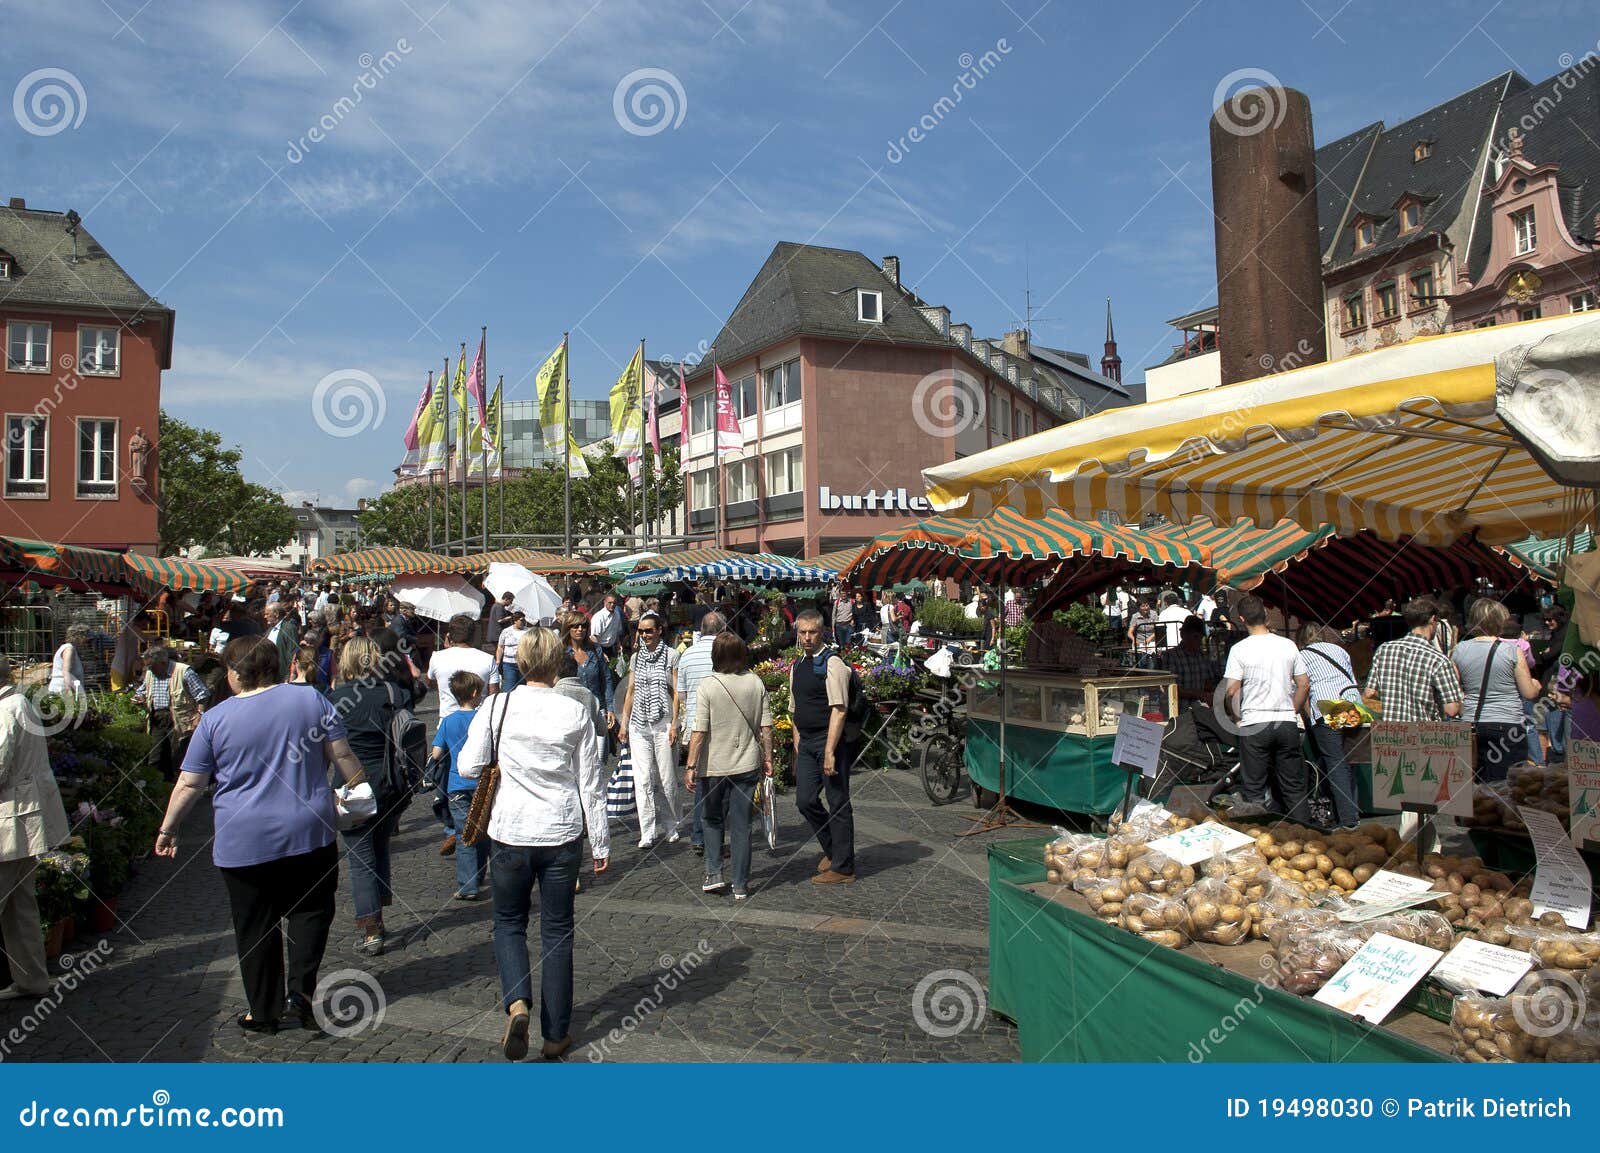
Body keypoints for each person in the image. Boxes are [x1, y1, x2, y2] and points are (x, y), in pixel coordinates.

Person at [154, 635, 367, 1032]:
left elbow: (189, 783)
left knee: (254, 924)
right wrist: (360, 790)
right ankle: (300, 996)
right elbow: (341, 755)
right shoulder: (312, 700)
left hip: (243, 839)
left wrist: (169, 828)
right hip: (308, 831)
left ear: (235, 674)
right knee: (310, 912)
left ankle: (264, 1011)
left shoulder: (216, 719)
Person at [458, 628, 609, 1061]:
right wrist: (600, 842)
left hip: (509, 831)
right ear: (559, 661)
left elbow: (468, 766)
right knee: (558, 932)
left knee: (508, 923)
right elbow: (590, 784)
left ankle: (518, 1002)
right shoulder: (574, 712)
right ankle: (556, 1033)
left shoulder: (497, 705)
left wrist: (504, 761)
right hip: (561, 833)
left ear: (520, 662)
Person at [328, 636, 410, 956]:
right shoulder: (392, 693)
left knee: (361, 859)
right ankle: (379, 909)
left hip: (351, 786)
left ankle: (371, 928)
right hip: (389, 782)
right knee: (380, 847)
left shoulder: (335, 698)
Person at [0, 662, 71, 1001]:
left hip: (11, 822)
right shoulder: (19, 702)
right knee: (20, 905)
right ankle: (31, 980)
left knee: (17, 903)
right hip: (25, 819)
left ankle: (31, 979)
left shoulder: (6, 708)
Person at [685, 631, 773, 900]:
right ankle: (740, 884)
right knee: (742, 825)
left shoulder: (708, 686)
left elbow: (699, 731)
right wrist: (768, 757)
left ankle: (714, 873)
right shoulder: (756, 683)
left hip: (714, 766)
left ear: (716, 655)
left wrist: (690, 766)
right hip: (746, 764)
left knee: (711, 819)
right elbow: (766, 727)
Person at [1221, 594, 1311, 822]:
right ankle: (1307, 836)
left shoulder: (1239, 649)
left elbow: (1231, 691)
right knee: (1294, 788)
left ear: (1242, 619)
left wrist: (1235, 716)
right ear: (1266, 615)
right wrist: (1291, 709)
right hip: (1286, 723)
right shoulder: (1288, 645)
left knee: (1254, 790)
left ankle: (1258, 838)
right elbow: (1304, 683)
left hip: (1254, 724)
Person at [790, 610, 857, 884]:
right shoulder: (798, 665)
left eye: (812, 632)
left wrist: (829, 750)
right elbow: (795, 709)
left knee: (838, 801)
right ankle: (833, 849)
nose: (807, 638)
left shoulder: (833, 664)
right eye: (802, 632)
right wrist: (797, 746)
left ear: (822, 633)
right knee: (804, 800)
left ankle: (844, 868)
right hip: (806, 743)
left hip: (829, 741)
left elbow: (839, 710)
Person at [1452, 599, 1541, 783]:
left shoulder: (1459, 650)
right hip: (1507, 725)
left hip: (1470, 725)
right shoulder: (1511, 650)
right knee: (1504, 788)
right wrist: (1536, 685)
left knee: (1470, 788)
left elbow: (1453, 690)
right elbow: (1529, 693)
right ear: (1500, 620)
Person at [618, 611, 682, 850]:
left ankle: (672, 823)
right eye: (641, 631)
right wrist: (624, 723)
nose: (644, 634)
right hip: (639, 724)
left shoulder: (672, 656)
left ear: (659, 631)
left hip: (663, 722)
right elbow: (631, 691)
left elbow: (676, 692)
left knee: (666, 779)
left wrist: (675, 722)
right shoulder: (636, 658)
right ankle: (647, 830)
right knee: (642, 778)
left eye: (649, 630)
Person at [1299, 624, 1363, 830]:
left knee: (1335, 763)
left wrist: (1309, 717)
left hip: (1325, 707)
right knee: (1347, 761)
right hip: (1348, 704)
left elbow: (1303, 688)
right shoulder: (1339, 650)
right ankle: (1349, 810)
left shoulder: (1302, 656)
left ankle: (1348, 819)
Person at [431, 671, 488, 900]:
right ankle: (481, 873)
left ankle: (468, 885)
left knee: (464, 833)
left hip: (457, 784)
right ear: (475, 693)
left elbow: (436, 753)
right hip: (481, 783)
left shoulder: (449, 721)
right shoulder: (483, 719)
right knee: (482, 829)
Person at [1364, 597, 1464, 723]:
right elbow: (1452, 709)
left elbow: (1369, 692)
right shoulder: (1438, 660)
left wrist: (1393, 696)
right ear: (1433, 619)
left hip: (1390, 734)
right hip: (1423, 735)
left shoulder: (1384, 649)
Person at [676, 611, 725, 856]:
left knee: (702, 784)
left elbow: (681, 695)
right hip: (719, 726)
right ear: (722, 629)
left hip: (695, 727)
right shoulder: (723, 653)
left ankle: (698, 835)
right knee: (722, 785)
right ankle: (715, 836)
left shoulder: (686, 655)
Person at [133, 646, 210, 779]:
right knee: (156, 757)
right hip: (157, 718)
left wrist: (200, 714)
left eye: (151, 666)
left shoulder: (184, 671)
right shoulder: (151, 673)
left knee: (178, 757)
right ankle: (161, 788)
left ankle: (181, 787)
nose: (148, 669)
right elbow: (142, 691)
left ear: (162, 663)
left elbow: (202, 694)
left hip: (179, 720)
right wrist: (139, 698)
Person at [428, 614, 497, 717]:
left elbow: (430, 683)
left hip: (447, 718)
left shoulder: (437, 657)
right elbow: (493, 694)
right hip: (479, 720)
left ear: (449, 635)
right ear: (473, 635)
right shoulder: (488, 659)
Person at [562, 611, 616, 731]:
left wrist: (610, 708)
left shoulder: (596, 650)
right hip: (571, 713)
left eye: (584, 626)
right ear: (567, 628)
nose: (580, 629)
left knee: (600, 749)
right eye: (575, 626)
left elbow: (606, 679)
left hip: (597, 709)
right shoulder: (561, 653)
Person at [1158, 616, 1219, 703]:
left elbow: (1208, 682)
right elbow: (1171, 688)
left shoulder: (1202, 656)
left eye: (1200, 638)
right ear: (1183, 635)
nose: (1198, 641)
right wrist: (1198, 694)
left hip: (1201, 708)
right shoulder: (1170, 656)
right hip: (1179, 710)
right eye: (1195, 637)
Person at [46, 624, 90, 708]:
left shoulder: (69, 648)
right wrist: (69, 693)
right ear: (78, 636)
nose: (87, 639)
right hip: (62, 690)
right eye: (85, 636)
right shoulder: (69, 649)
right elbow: (66, 672)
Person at [494, 609, 529, 692]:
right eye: (521, 620)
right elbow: (500, 647)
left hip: (523, 663)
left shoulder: (528, 631)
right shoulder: (506, 631)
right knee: (508, 687)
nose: (523, 621)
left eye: (524, 619)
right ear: (515, 621)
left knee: (522, 687)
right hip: (509, 663)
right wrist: (498, 660)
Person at [264, 602, 298, 681]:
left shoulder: (289, 628)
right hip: (269, 674)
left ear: (276, 614)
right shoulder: (270, 630)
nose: (265, 617)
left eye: (267, 614)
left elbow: (292, 653)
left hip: (282, 676)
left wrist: (288, 676)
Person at [590, 593, 624, 661]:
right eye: (610, 603)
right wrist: (601, 652)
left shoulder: (617, 614)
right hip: (600, 648)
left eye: (614, 603)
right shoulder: (598, 617)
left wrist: (618, 644)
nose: (612, 605)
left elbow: (616, 631)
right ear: (605, 602)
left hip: (611, 647)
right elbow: (593, 637)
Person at [831, 585, 855, 650]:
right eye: (842, 593)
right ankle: (842, 657)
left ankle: (849, 657)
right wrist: (833, 627)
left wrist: (853, 620)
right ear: (840, 594)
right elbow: (833, 615)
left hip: (848, 624)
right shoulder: (837, 602)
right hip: (839, 625)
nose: (843, 595)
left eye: (844, 593)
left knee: (848, 642)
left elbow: (855, 612)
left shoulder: (851, 601)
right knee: (841, 644)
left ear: (847, 593)